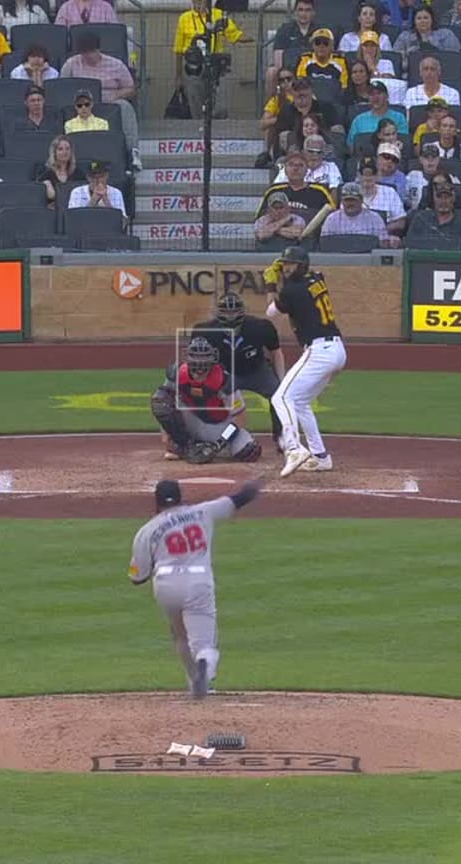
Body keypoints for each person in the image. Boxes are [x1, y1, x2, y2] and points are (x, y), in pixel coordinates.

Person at [128, 476, 262, 699]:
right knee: (205, 644)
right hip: (198, 583)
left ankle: (194, 682)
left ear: (157, 502)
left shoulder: (147, 530)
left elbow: (137, 577)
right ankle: (204, 672)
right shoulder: (203, 512)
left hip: (165, 585)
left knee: (179, 635)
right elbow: (238, 499)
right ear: (181, 497)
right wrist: (254, 486)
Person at [264, 245, 345, 476]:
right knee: (299, 403)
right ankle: (321, 457)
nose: (286, 268)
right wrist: (286, 271)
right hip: (336, 349)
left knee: (281, 397)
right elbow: (305, 279)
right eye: (285, 264)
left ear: (301, 266)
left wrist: (271, 283)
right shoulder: (317, 278)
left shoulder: (292, 291)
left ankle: (293, 448)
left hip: (320, 350)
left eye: (290, 265)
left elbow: (271, 312)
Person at [148, 337, 265, 464]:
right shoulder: (177, 373)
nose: (200, 364)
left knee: (249, 451)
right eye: (196, 358)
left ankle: (211, 447)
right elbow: (163, 402)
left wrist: (219, 443)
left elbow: (240, 417)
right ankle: (185, 445)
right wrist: (166, 434)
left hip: (220, 426)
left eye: (203, 358)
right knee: (161, 400)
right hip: (191, 419)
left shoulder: (225, 381)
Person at [191, 290, 286, 445]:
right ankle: (212, 435)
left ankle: (282, 435)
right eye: (227, 312)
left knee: (279, 394)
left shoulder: (260, 327)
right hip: (225, 373)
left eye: (234, 312)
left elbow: (276, 353)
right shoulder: (205, 331)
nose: (231, 316)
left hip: (256, 370)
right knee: (206, 397)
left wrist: (282, 380)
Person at [174, 0, 244, 120]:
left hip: (216, 67)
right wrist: (179, 76)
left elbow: (235, 35)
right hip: (194, 68)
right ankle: (199, 131)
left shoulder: (218, 15)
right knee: (196, 102)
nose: (199, 4)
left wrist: (255, 39)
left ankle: (218, 132)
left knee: (220, 107)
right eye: (196, 1)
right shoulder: (184, 18)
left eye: (202, 1)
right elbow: (178, 50)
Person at [408, 174, 461, 246]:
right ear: (433, 198)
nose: (443, 201)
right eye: (439, 197)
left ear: (453, 198)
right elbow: (409, 245)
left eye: (447, 197)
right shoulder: (420, 219)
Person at [269, 0, 317, 84]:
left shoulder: (319, 31)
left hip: (312, 71)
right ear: (295, 12)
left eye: (307, 10)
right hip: (289, 71)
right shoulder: (285, 30)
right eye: (300, 10)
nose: (304, 14)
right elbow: (278, 56)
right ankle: (273, 98)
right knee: (272, 72)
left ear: (313, 13)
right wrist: (282, 72)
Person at [395, 5, 461, 61]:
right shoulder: (404, 36)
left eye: (426, 18)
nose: (422, 21)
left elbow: (454, 58)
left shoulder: (446, 34)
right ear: (414, 21)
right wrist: (408, 53)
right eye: (419, 18)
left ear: (432, 19)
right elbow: (396, 57)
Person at [36, 134, 84, 204]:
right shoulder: (45, 174)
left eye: (67, 148)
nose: (65, 152)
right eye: (60, 149)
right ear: (54, 153)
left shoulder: (79, 174)